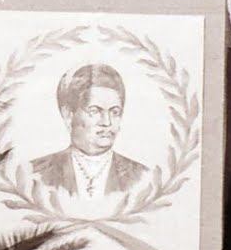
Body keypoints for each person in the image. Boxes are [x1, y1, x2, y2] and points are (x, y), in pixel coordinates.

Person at [30, 62, 149, 200]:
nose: (107, 122)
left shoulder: (142, 177)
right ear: (68, 115)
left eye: (114, 112)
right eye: (95, 111)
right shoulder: (35, 174)